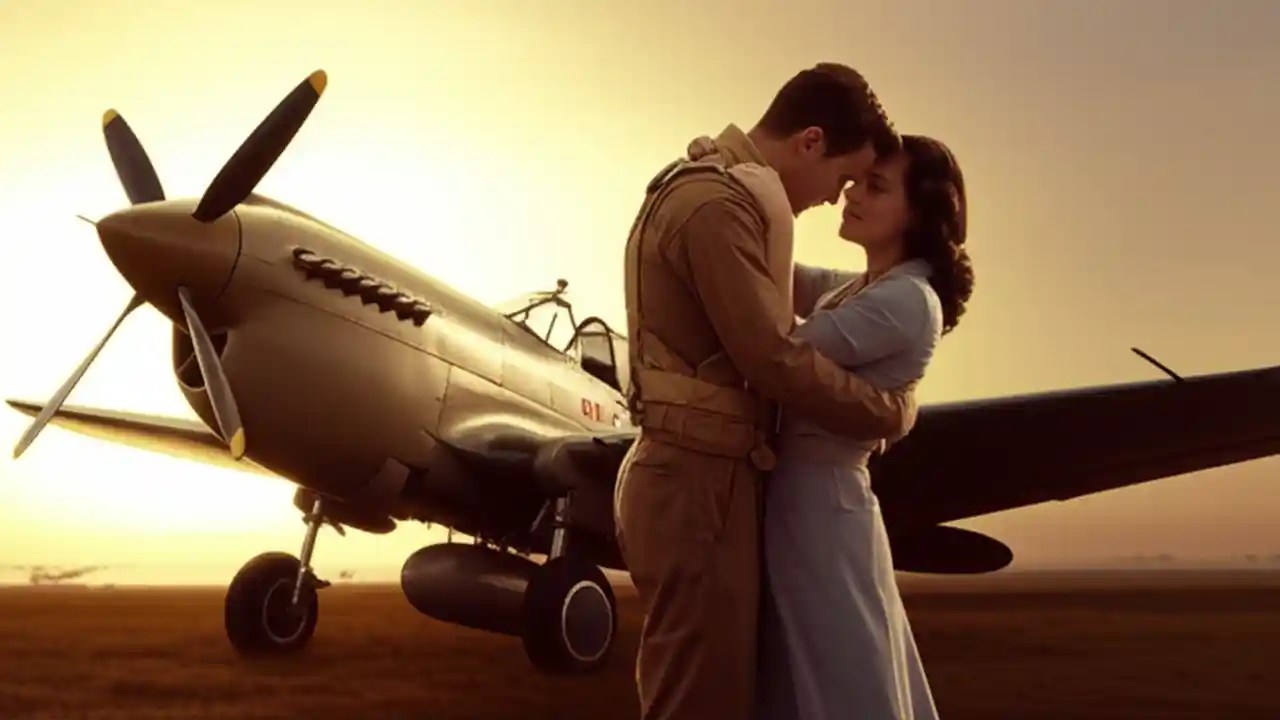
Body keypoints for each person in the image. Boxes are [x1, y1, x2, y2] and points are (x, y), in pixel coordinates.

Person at [613, 63, 918, 720]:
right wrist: (887, 412)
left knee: (719, 691)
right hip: (699, 483)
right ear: (809, 141)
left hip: (709, 479)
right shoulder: (719, 206)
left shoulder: (719, 193)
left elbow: (798, 306)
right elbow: (772, 359)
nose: (833, 199)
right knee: (700, 699)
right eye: (840, 179)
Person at [755, 134, 974, 720]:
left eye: (875, 186)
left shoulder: (906, 298)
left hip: (822, 509)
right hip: (806, 502)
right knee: (811, 670)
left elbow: (778, 353)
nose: (851, 192)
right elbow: (777, 272)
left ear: (918, 213)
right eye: (858, 179)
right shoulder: (865, 286)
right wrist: (742, 190)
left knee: (838, 673)